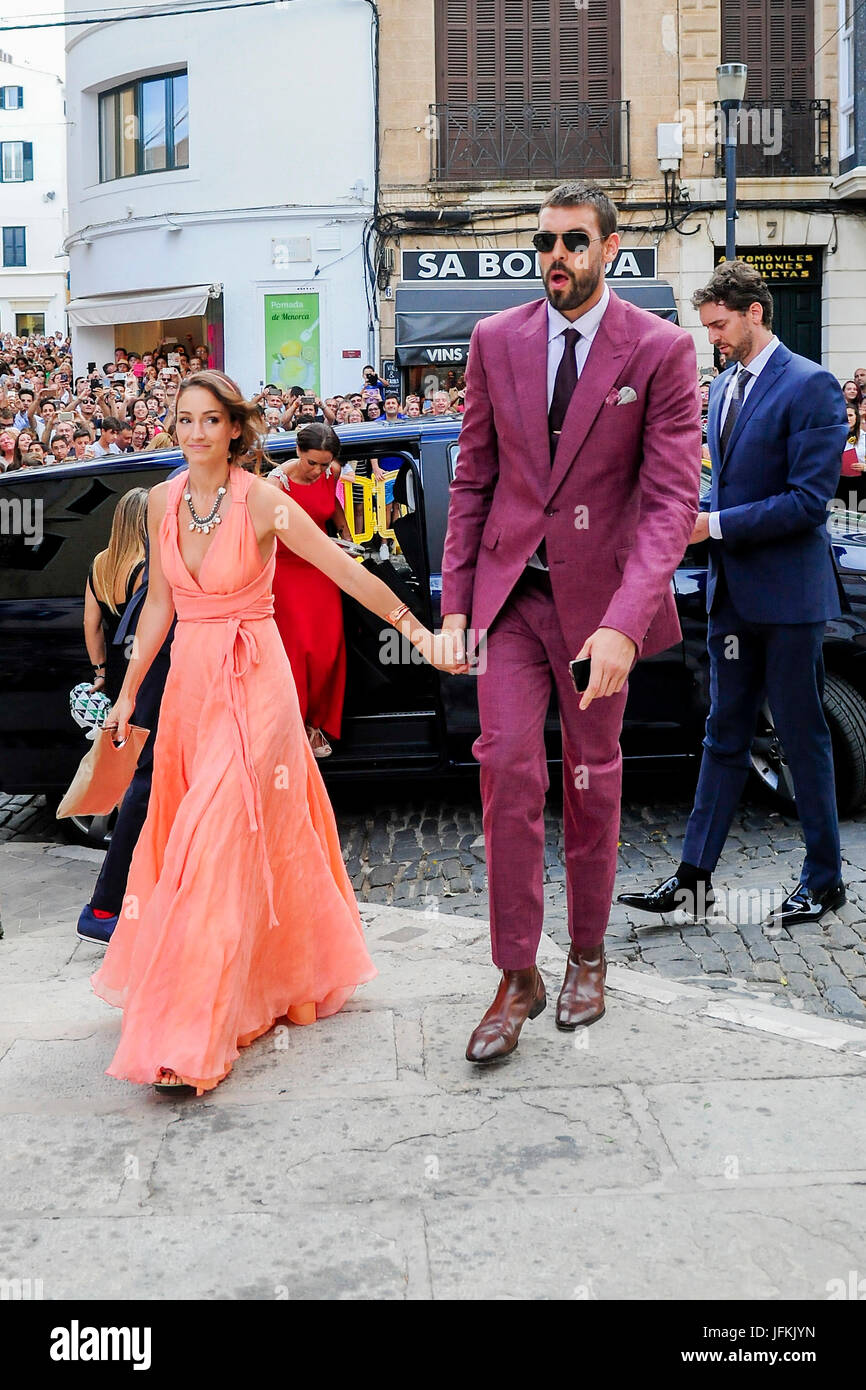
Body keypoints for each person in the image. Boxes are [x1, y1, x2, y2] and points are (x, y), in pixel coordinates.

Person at [92, 369, 465, 1095]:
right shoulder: (162, 502)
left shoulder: (264, 500)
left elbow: (344, 571)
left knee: (218, 834)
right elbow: (160, 610)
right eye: (184, 419)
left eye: (209, 420)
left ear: (235, 429)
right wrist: (128, 692)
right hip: (192, 689)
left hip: (257, 683)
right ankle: (243, 982)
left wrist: (419, 635)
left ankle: (190, 1029)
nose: (194, 432)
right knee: (195, 839)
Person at [440, 179, 701, 1063]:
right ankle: (517, 973)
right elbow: (472, 479)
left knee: (592, 777)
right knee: (507, 771)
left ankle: (588, 954)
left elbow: (670, 501)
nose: (557, 257)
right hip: (512, 599)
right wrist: (452, 607)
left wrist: (629, 622)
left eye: (575, 242)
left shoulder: (661, 350)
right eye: (546, 243)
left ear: (609, 248)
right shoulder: (493, 340)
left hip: (601, 614)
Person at [620, 260, 849, 929]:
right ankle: (693, 881)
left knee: (802, 738)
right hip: (733, 596)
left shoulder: (812, 386)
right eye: (707, 327)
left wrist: (711, 525)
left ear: (754, 312)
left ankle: (825, 878)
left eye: (719, 325)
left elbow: (810, 503)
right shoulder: (721, 389)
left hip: (790, 599)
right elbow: (724, 490)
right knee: (722, 735)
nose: (713, 338)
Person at [268, 422, 354, 758]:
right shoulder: (276, 484)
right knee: (298, 653)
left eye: (324, 463)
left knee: (328, 651)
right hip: (287, 573)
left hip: (323, 568)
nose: (319, 470)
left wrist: (346, 537)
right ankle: (300, 726)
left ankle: (315, 720)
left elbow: (331, 507)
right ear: (298, 451)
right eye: (312, 463)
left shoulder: (330, 471)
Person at [83, 488, 147, 704]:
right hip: (144, 665)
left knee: (124, 733)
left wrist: (100, 671)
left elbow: (91, 623)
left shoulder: (99, 563)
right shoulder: (144, 568)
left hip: (116, 663)